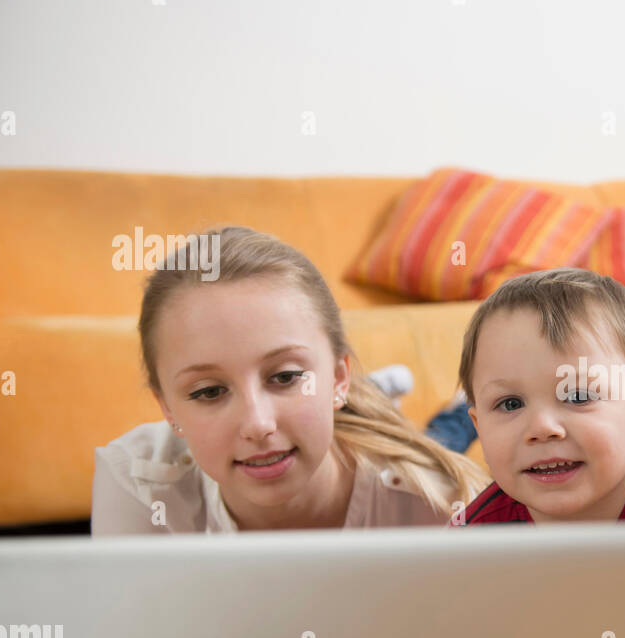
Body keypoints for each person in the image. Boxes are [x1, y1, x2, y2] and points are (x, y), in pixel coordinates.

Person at [92, 226, 489, 534]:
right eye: (209, 391)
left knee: (436, 442)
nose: (258, 424)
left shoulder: (445, 506)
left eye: (284, 376)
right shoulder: (136, 482)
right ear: (166, 407)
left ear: (337, 378)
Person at [453, 268, 625, 524]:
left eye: (578, 396)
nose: (542, 427)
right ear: (480, 428)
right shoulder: (470, 542)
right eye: (510, 404)